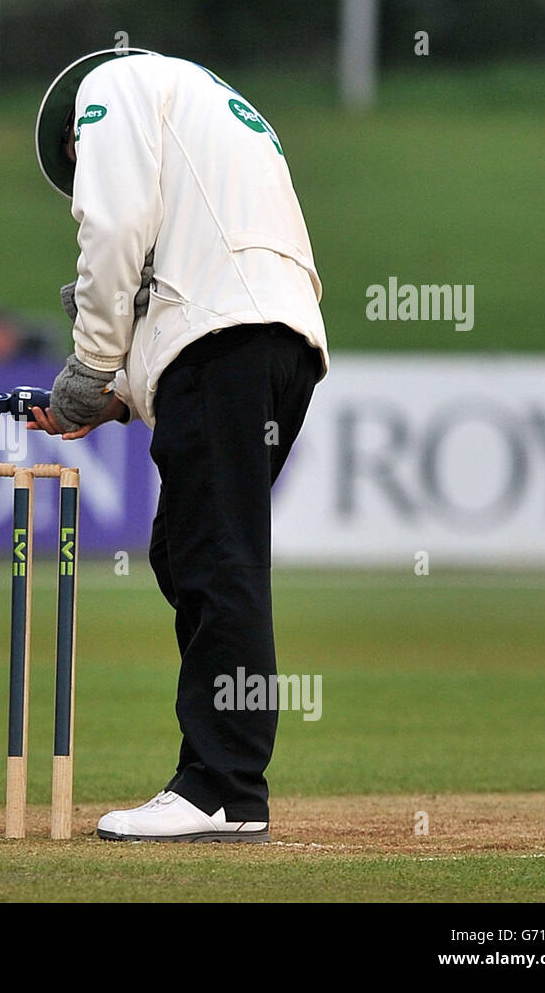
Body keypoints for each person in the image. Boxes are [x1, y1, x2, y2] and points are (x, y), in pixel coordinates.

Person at [28, 49, 329, 842]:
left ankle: (223, 787)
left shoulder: (108, 90)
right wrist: (119, 394)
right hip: (277, 343)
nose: (82, 171)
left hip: (225, 344)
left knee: (217, 557)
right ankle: (225, 778)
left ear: (72, 136)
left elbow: (116, 225)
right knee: (188, 550)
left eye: (76, 163)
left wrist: (91, 365)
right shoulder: (214, 111)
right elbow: (192, 271)